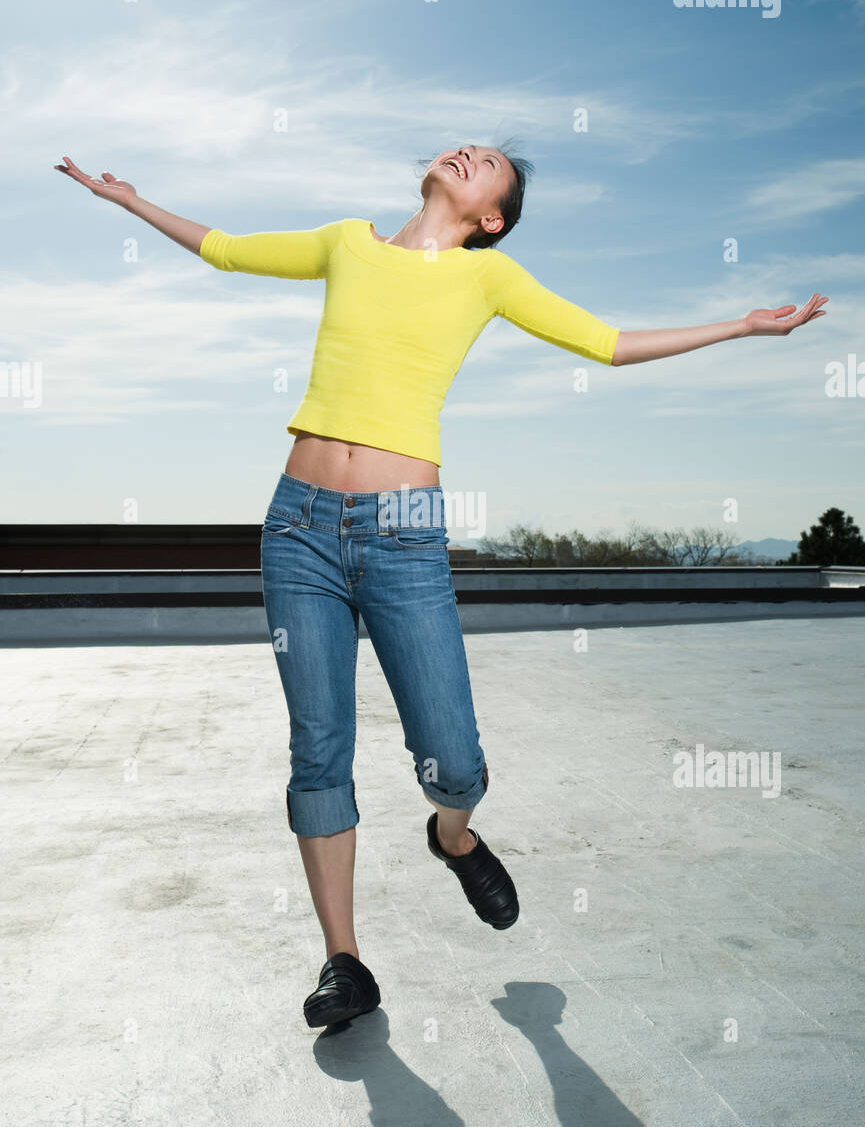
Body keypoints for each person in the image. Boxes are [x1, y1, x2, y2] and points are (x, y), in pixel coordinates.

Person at [54, 146, 828, 1029]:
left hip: (403, 537)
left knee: (453, 761)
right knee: (318, 749)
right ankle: (344, 962)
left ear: (490, 215)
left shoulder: (486, 278)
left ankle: (451, 836)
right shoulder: (347, 243)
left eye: (488, 163)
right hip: (296, 527)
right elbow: (225, 248)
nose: (470, 152)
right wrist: (130, 200)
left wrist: (739, 326)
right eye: (468, 144)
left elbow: (607, 345)